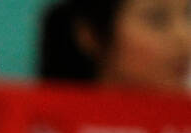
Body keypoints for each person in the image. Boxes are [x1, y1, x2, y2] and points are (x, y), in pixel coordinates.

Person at [38, 0, 191, 91]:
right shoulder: (41, 131)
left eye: (188, 15)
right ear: (90, 36)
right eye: (157, 19)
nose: (185, 37)